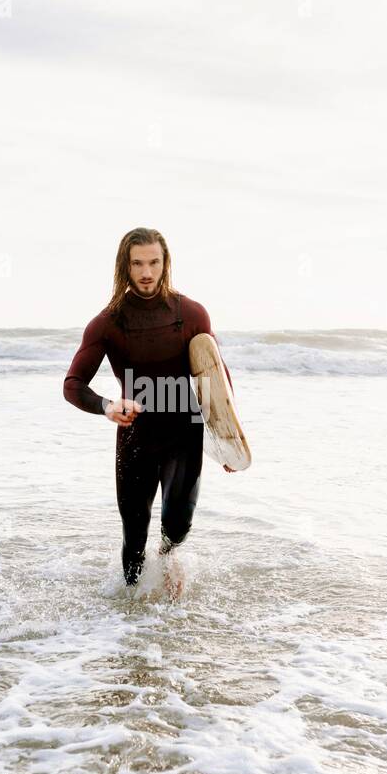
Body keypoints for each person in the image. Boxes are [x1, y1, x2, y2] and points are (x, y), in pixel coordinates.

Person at [63, 227, 236, 589]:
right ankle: (127, 617)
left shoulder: (191, 313)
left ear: (165, 263)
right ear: (124, 267)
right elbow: (73, 385)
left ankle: (169, 557)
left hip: (183, 432)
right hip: (136, 436)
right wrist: (107, 406)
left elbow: (218, 378)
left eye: (154, 262)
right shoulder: (108, 322)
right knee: (134, 535)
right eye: (138, 263)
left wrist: (228, 440)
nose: (146, 272)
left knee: (177, 523)